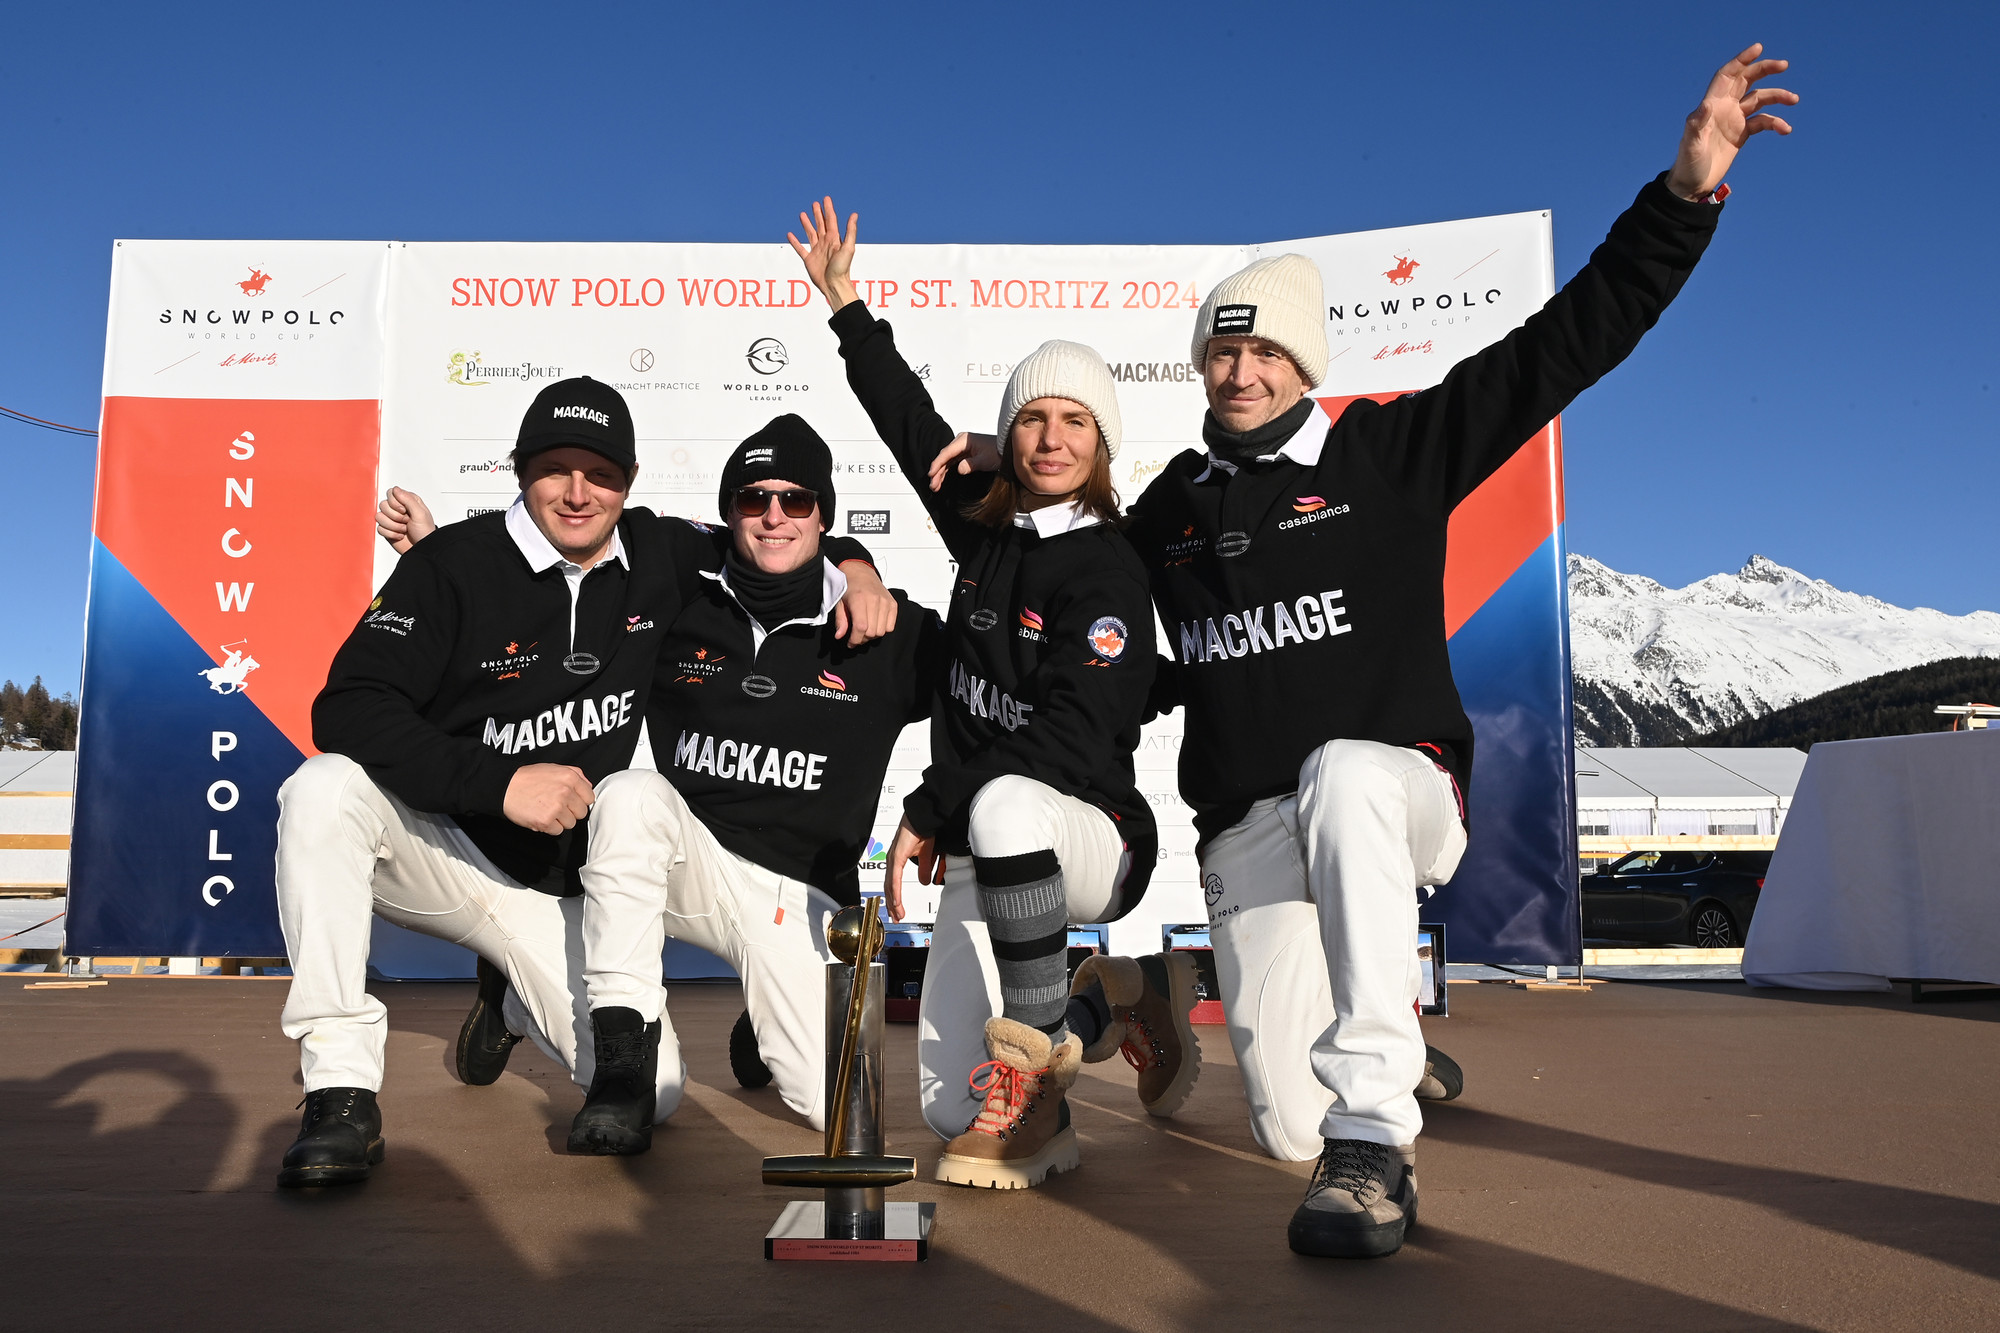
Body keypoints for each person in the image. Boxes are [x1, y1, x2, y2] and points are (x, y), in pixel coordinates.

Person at [929, 46, 1797, 1255]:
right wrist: (989, 463)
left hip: (1398, 791)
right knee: (1281, 1116)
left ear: (1304, 368)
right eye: (1222, 354)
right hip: (1247, 827)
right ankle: (1180, 1002)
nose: (1240, 371)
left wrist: (1685, 192)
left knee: (1341, 773)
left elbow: (1570, 341)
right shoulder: (1170, 508)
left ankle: (1375, 1146)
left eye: (1266, 354)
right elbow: (1061, 557)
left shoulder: (1390, 456)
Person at [274, 378, 890, 1187]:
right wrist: (498, 783)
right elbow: (346, 708)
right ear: (520, 470)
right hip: (445, 848)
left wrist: (859, 568)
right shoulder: (449, 565)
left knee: (658, 1093)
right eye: (555, 469)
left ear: (628, 482)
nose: (577, 492)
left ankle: (509, 997)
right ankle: (339, 1092)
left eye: (599, 474)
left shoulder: (665, 551)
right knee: (322, 788)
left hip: (554, 891)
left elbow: (772, 533)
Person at [789, 204, 1201, 1191]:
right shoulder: (983, 534)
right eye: (1031, 416)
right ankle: (1125, 1000)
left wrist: (926, 805)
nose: (1050, 436)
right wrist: (844, 304)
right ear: (1007, 434)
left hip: (1089, 833)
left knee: (1007, 798)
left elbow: (1068, 738)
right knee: (940, 1107)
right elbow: (906, 426)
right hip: (988, 845)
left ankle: (1040, 1101)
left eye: (1072, 420)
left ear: (1101, 442)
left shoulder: (1107, 570)